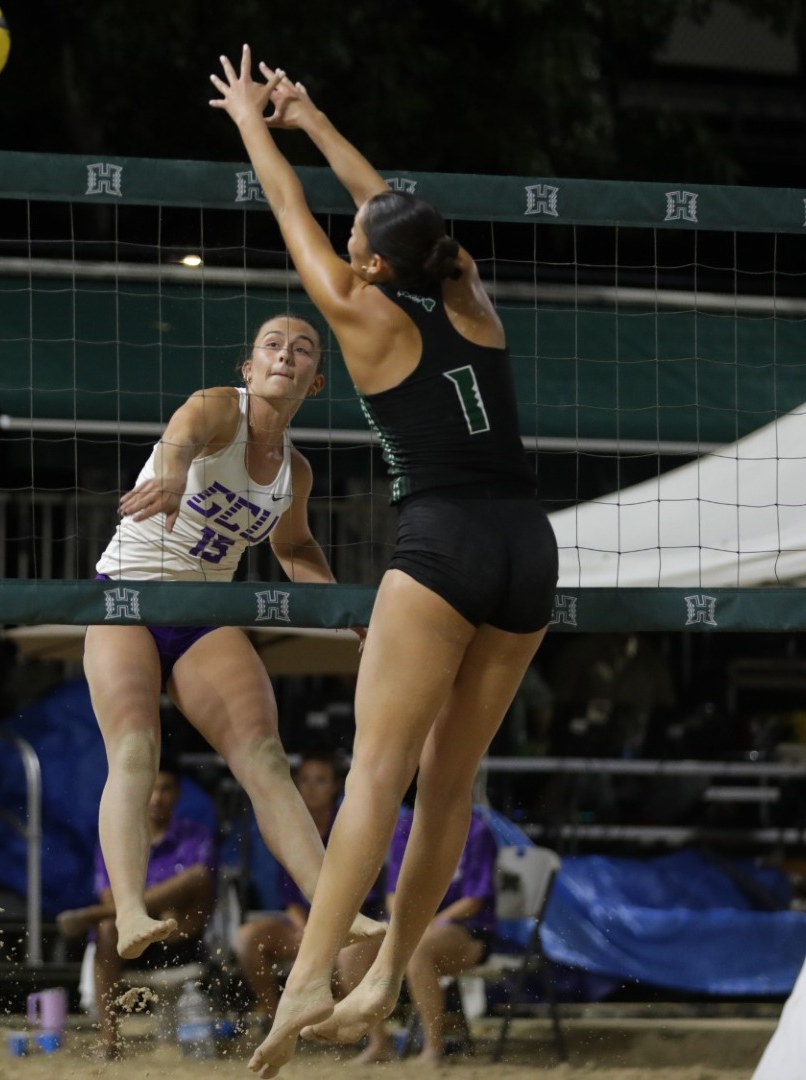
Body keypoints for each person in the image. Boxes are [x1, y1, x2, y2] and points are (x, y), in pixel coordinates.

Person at [209, 55, 558, 1076]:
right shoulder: (469, 296)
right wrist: (316, 116)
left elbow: (291, 209)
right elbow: (401, 215)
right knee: (448, 785)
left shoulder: (361, 314)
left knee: (377, 773)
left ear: (369, 267)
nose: (349, 238)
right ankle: (384, 975)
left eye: (358, 240)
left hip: (445, 543)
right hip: (527, 549)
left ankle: (313, 979)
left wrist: (253, 120)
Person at [87, 311, 380, 965]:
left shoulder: (295, 471)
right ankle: (130, 911)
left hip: (204, 610)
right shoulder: (221, 408)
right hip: (128, 595)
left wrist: (342, 608)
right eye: (272, 345)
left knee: (265, 756)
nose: (286, 355)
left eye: (302, 349)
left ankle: (333, 907)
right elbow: (184, 430)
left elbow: (294, 546)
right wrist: (170, 475)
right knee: (135, 748)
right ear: (250, 367)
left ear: (315, 379)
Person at [57, 765, 218, 1059]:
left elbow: (202, 889)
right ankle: (110, 1041)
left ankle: (96, 914)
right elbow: (109, 897)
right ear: (138, 792)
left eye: (165, 789)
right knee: (107, 927)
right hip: (130, 943)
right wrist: (150, 908)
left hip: (180, 937)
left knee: (194, 879)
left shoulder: (197, 835)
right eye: (151, 789)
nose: (157, 797)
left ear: (177, 794)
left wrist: (134, 904)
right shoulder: (116, 838)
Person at [343, 806, 498, 1065]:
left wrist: (428, 924)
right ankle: (379, 1042)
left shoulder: (477, 830)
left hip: (467, 929)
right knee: (352, 952)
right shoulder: (407, 827)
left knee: (419, 948)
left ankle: (433, 1047)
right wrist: (410, 925)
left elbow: (473, 902)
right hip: (414, 926)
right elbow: (393, 893)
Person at [234, 751, 342, 1025]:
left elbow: (358, 895)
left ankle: (342, 1025)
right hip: (302, 925)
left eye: (320, 780)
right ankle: (278, 1020)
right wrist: (305, 929)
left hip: (346, 925)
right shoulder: (292, 828)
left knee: (346, 952)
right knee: (247, 937)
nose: (311, 788)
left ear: (335, 786)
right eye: (304, 780)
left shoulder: (349, 826)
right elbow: (290, 898)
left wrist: (320, 932)